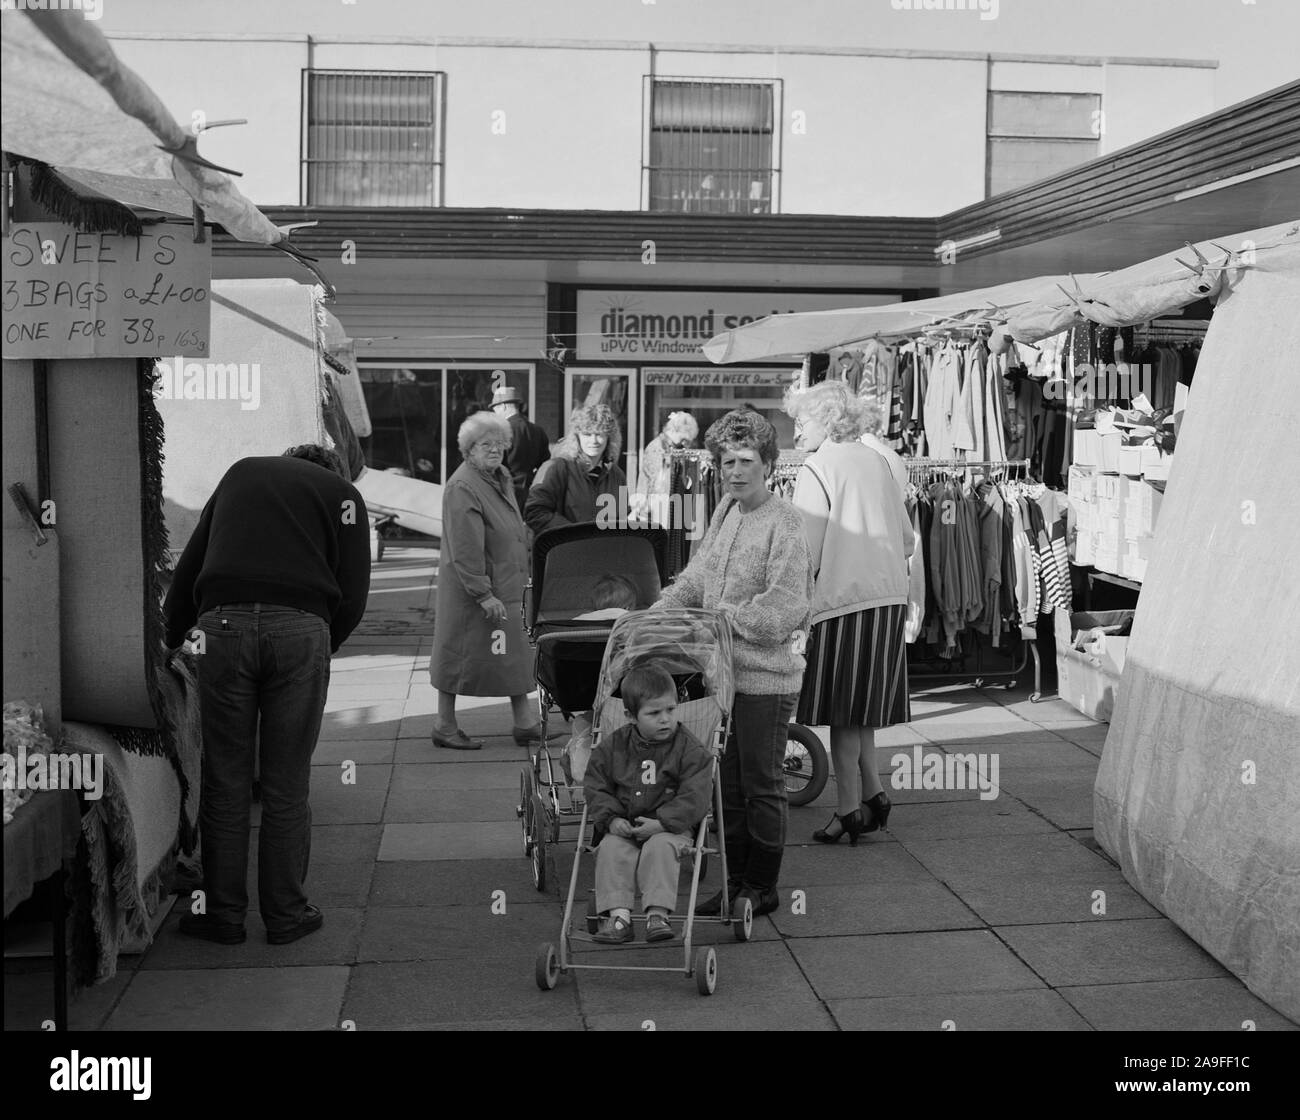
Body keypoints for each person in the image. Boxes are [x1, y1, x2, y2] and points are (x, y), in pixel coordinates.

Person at [163, 444, 370, 946]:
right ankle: (286, 915)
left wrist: (170, 638)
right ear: (332, 471)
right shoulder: (343, 494)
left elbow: (191, 563)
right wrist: (321, 641)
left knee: (226, 779)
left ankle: (223, 915)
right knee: (285, 783)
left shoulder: (242, 474)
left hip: (222, 626)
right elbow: (354, 591)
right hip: (301, 630)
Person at [652, 409, 812, 917]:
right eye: (726, 462)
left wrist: (721, 616)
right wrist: (656, 612)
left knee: (763, 783)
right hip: (722, 673)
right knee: (731, 784)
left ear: (768, 463)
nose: (735, 471)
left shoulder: (784, 520)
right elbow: (700, 574)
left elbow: (785, 609)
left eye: (746, 461)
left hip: (766, 677)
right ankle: (736, 881)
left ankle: (763, 887)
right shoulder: (726, 509)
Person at [785, 379, 915, 843]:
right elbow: (907, 540)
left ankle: (847, 812)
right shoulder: (876, 461)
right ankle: (875, 794)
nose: (795, 430)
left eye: (801, 420)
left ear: (827, 421)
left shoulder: (817, 468)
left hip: (841, 602)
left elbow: (806, 552)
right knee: (862, 712)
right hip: (887, 599)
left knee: (843, 714)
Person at [430, 412, 557, 749]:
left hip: (505, 582)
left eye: (500, 444)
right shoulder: (463, 485)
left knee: (514, 654)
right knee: (456, 656)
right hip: (473, 589)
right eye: (486, 444)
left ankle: (525, 722)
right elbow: (466, 546)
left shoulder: (498, 477)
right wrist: (482, 593)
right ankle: (444, 725)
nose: (495, 449)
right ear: (469, 449)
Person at [583, 664, 714, 944]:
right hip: (626, 825)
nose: (665, 719)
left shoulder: (689, 749)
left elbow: (697, 794)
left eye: (670, 710)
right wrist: (611, 819)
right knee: (610, 848)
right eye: (654, 713)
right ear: (631, 716)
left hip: (671, 828)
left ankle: (657, 914)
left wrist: (663, 822)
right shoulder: (614, 746)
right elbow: (596, 784)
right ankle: (619, 917)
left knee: (660, 847)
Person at [562, 573, 641, 787]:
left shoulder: (574, 627)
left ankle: (581, 765)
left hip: (585, 693)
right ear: (628, 605)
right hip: (630, 693)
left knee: (584, 723)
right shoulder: (632, 623)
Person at [524, 403, 626, 536]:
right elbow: (534, 512)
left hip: (604, 552)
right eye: (587, 434)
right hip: (564, 552)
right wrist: (575, 534)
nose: (594, 440)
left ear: (609, 437)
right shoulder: (556, 468)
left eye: (600, 434)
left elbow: (623, 516)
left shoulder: (617, 475)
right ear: (577, 437)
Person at [491, 385, 551, 511]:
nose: (494, 413)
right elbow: (545, 465)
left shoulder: (501, 431)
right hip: (531, 492)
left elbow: (493, 465)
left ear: (504, 406)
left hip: (506, 492)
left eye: (495, 408)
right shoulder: (538, 430)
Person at [636, 411, 698, 514]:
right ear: (676, 430)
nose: (686, 445)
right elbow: (657, 486)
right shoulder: (657, 449)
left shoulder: (668, 448)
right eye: (684, 439)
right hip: (651, 512)